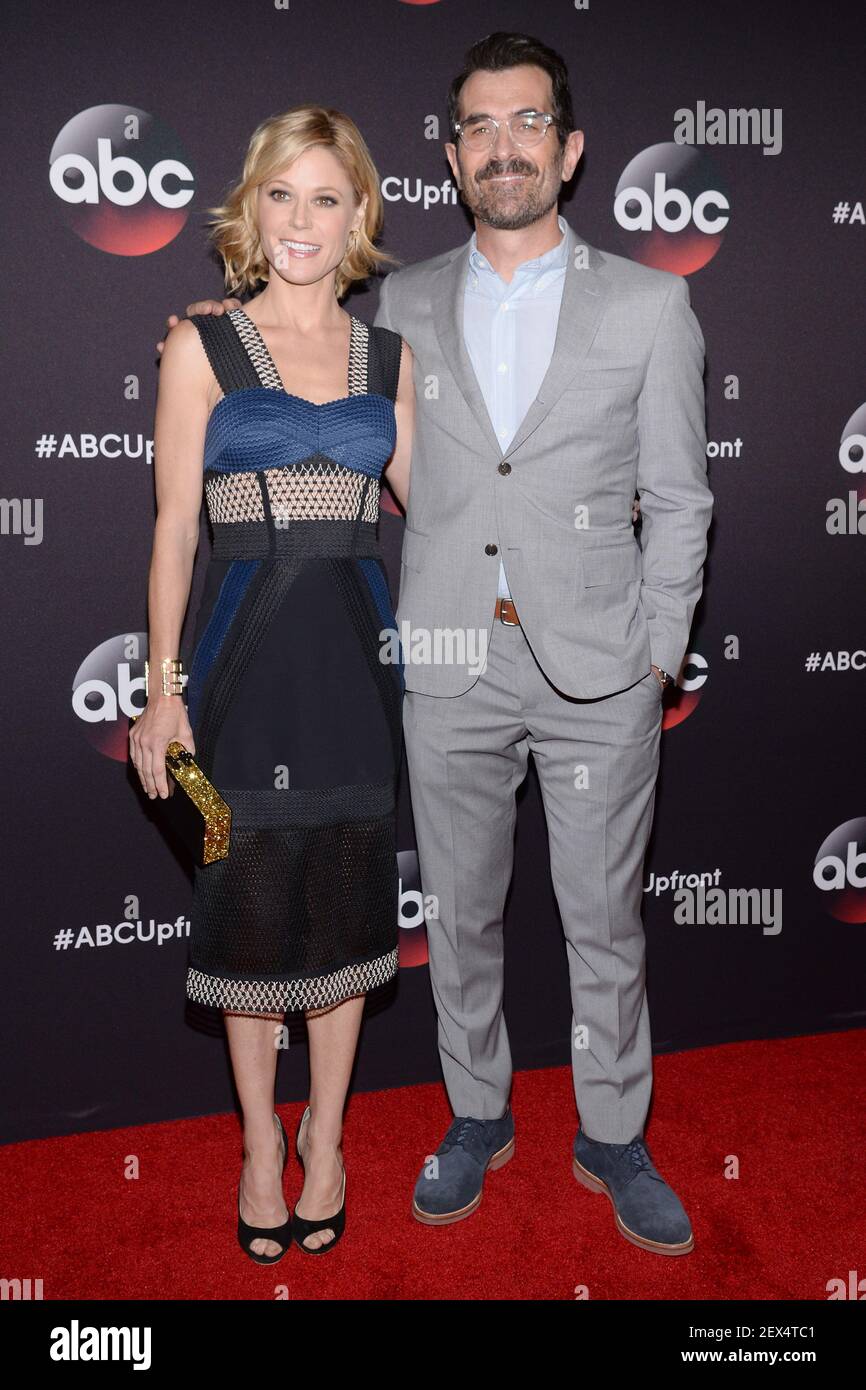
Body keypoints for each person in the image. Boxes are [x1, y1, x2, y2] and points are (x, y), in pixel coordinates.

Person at [161, 31, 713, 1257]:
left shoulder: (650, 300)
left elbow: (681, 496)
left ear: (566, 150)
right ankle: (475, 1115)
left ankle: (613, 1133)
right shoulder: (397, 304)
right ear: (452, 156)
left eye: (526, 122)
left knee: (601, 916)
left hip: (598, 666)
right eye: (476, 126)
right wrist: (212, 333)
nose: (502, 144)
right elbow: (306, 389)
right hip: (444, 655)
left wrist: (657, 648)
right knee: (455, 914)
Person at [133, 104, 413, 1262]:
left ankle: (328, 1139)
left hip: (357, 668)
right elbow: (170, 533)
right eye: (281, 195)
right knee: (247, 931)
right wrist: (161, 691)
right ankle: (258, 1142)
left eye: (326, 198)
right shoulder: (199, 348)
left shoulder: (389, 359)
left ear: (358, 217)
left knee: (346, 918)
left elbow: (445, 510)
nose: (301, 220)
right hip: (238, 678)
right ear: (251, 207)